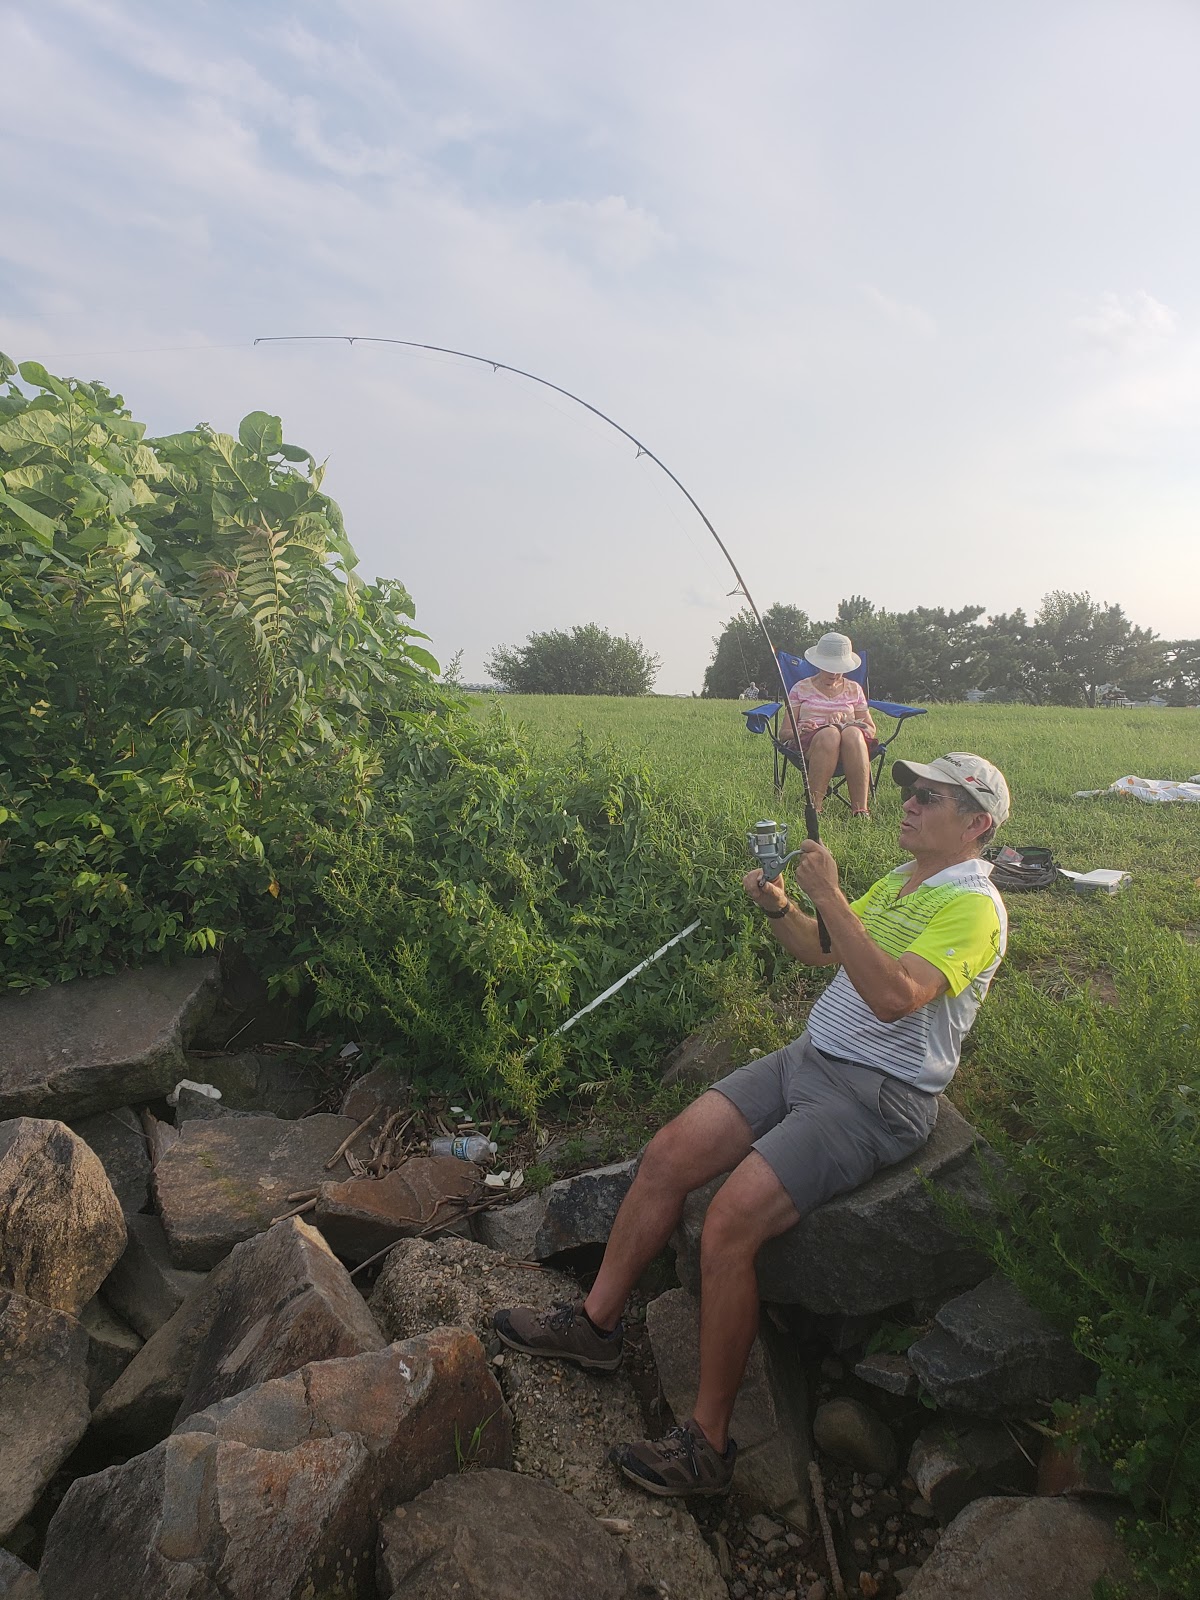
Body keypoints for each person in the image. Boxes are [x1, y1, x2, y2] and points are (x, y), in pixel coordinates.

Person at [494, 753, 1010, 1499]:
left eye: (930, 797)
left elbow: (896, 996)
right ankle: (596, 1325)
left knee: (730, 1222)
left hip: (876, 1097)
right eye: (909, 791)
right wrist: (779, 904)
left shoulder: (975, 907)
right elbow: (821, 951)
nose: (908, 803)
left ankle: (706, 1447)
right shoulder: (904, 882)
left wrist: (829, 893)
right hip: (808, 1058)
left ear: (977, 823)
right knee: (667, 1154)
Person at [782, 632, 877, 817]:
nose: (833, 674)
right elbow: (784, 733)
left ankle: (860, 811)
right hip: (813, 743)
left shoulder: (854, 689)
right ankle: (814, 809)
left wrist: (848, 722)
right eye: (828, 667)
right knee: (830, 735)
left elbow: (870, 729)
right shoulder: (801, 688)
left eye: (838, 668)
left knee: (853, 734)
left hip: (851, 746)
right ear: (818, 664)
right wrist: (799, 730)